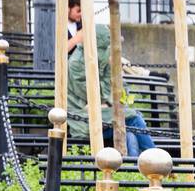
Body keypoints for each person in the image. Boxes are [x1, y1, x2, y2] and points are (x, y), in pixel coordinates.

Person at [67, 23, 157, 157]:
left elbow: (125, 93)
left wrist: (112, 101)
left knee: (131, 133)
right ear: (98, 46)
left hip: (107, 114)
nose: (109, 51)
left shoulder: (105, 60)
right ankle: (156, 160)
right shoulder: (77, 64)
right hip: (84, 120)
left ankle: (134, 170)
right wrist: (112, 100)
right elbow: (92, 94)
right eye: (106, 47)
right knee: (134, 119)